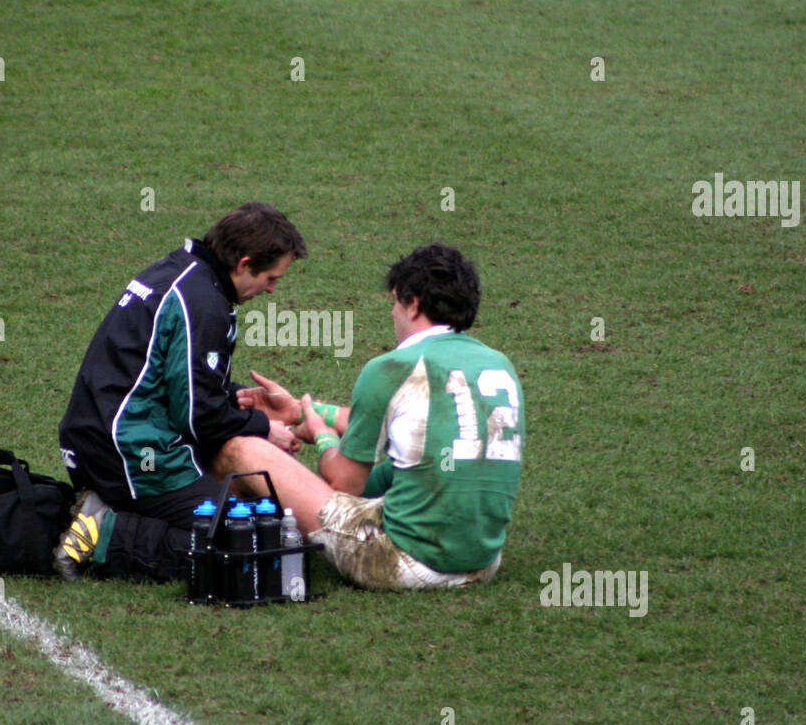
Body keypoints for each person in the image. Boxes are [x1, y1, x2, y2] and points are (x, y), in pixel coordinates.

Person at [211, 243, 523, 590]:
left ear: (414, 303)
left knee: (242, 450)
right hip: (483, 562)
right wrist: (303, 412)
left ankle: (208, 529)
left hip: (405, 562)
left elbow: (344, 484)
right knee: (411, 462)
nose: (392, 313)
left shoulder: (392, 368)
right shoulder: (499, 364)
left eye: (395, 302)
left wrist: (323, 435)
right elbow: (407, 424)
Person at [55, 202, 306, 582]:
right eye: (271, 278)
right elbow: (199, 416)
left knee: (251, 513)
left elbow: (173, 382)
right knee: (245, 543)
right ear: (243, 263)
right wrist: (262, 427)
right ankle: (104, 530)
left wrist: (238, 398)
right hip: (133, 455)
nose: (271, 290)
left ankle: (111, 505)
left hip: (99, 439)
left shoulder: (183, 271)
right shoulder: (203, 302)